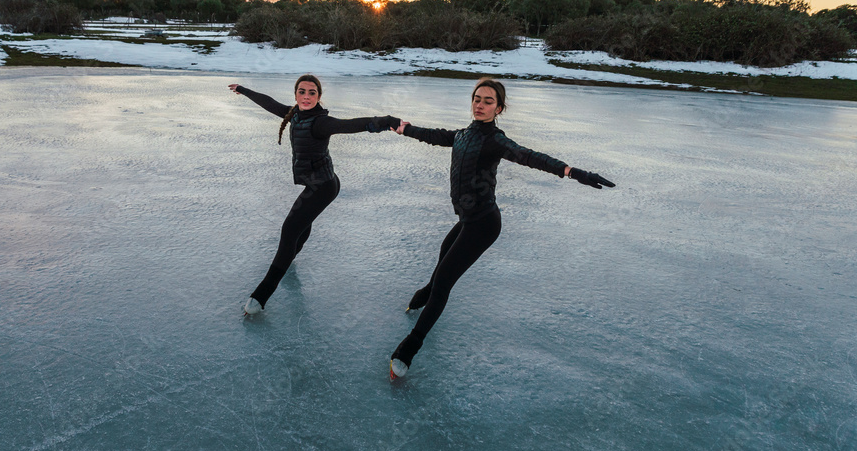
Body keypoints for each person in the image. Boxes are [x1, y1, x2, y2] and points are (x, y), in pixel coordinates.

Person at [389, 78, 615, 379]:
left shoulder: (495, 139)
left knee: (443, 281)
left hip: (483, 225)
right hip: (467, 221)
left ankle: (408, 349)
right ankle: (422, 297)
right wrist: (404, 128)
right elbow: (433, 135)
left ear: (499, 107)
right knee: (439, 270)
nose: (480, 105)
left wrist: (572, 172)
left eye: (488, 101)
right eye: (477, 99)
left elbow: (529, 156)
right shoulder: (463, 135)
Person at [229, 75, 399, 315]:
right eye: (302, 92)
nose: (306, 97)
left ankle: (261, 295)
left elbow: (351, 124)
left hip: (323, 187)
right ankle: (289, 259)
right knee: (301, 224)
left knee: (290, 230)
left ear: (319, 96)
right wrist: (243, 90)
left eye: (311, 93)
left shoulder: (321, 122)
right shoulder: (294, 114)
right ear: (296, 94)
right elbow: (269, 103)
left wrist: (387, 121)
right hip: (319, 184)